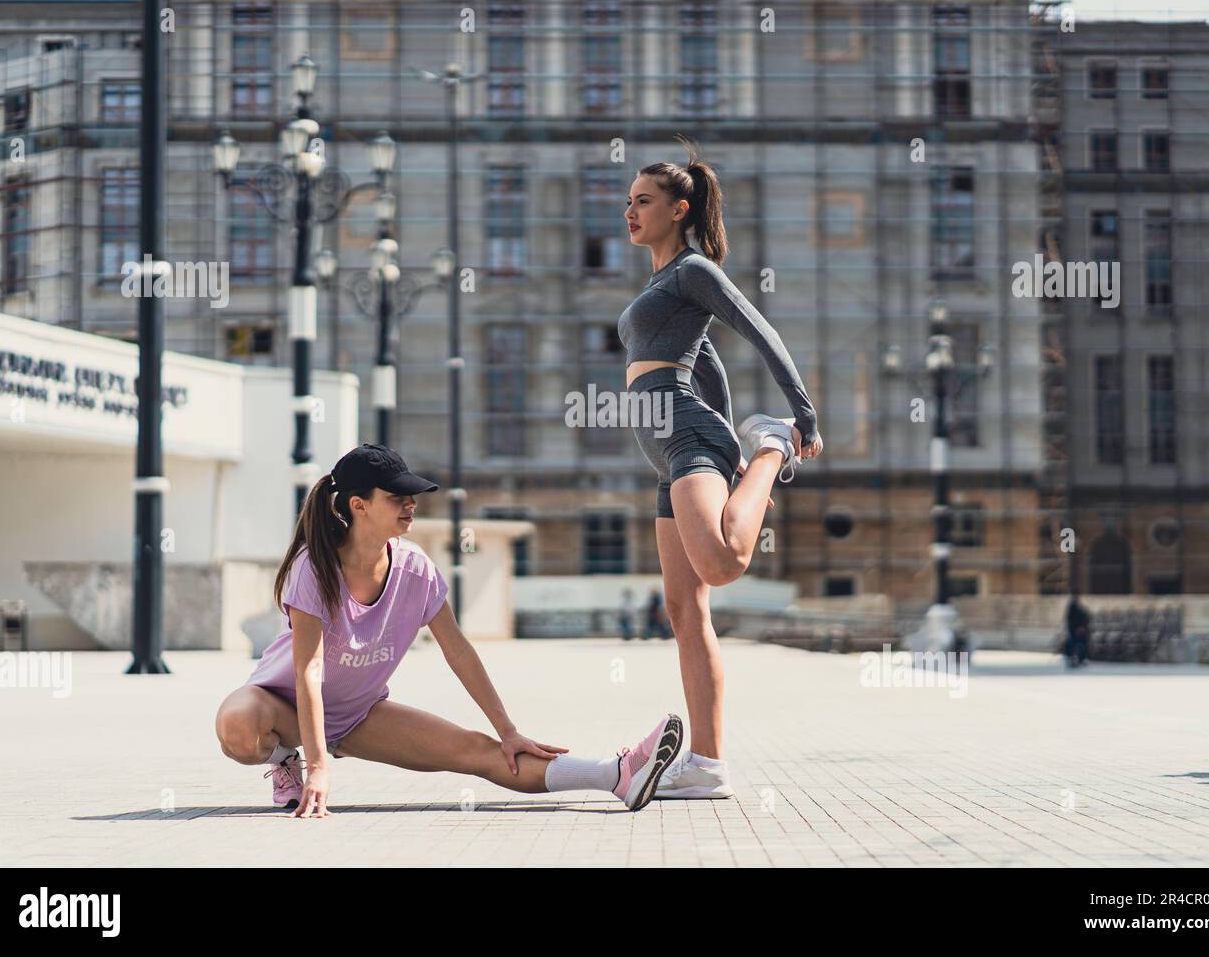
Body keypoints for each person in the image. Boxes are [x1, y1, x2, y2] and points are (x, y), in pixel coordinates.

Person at [214, 444, 683, 816]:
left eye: (411, 495)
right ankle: (284, 765)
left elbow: (459, 652)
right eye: (397, 496)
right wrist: (316, 766)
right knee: (236, 724)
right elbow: (309, 670)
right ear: (358, 505)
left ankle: (617, 775)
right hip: (282, 707)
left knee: (482, 752)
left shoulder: (416, 569)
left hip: (357, 716)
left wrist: (508, 729)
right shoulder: (313, 568)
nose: (411, 504)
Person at [620, 135, 823, 799]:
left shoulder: (692, 271)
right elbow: (705, 363)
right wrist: (726, 439)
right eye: (628, 201)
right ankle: (706, 764)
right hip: (670, 451)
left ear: (680, 208)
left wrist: (797, 419)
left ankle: (774, 447)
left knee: (722, 563)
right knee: (683, 609)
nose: (631, 211)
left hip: (684, 435)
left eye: (644, 201)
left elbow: (759, 330)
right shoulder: (660, 284)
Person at [1065, 596, 1090, 668]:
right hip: (1075, 629)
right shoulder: (1075, 608)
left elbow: (1086, 617)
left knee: (1077, 644)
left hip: (1077, 629)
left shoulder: (1076, 609)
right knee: (1075, 644)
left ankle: (1078, 659)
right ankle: (1077, 659)